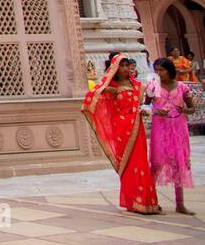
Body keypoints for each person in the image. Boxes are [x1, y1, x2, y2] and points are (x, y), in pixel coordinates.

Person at [82, 52, 160, 215]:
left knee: (142, 164)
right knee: (130, 165)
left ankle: (147, 201)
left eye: (126, 65)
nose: (125, 69)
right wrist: (107, 89)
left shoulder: (137, 86)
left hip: (137, 128)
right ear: (115, 68)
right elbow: (90, 98)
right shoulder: (112, 87)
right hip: (122, 130)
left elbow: (149, 100)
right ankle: (134, 201)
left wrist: (144, 111)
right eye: (121, 65)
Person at [148, 58, 195, 215]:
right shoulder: (153, 86)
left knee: (178, 163)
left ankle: (180, 204)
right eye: (157, 70)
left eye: (162, 70)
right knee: (156, 164)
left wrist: (183, 110)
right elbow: (145, 106)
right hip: (160, 129)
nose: (159, 73)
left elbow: (192, 108)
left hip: (178, 129)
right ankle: (150, 201)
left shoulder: (182, 87)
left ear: (169, 70)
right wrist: (156, 111)